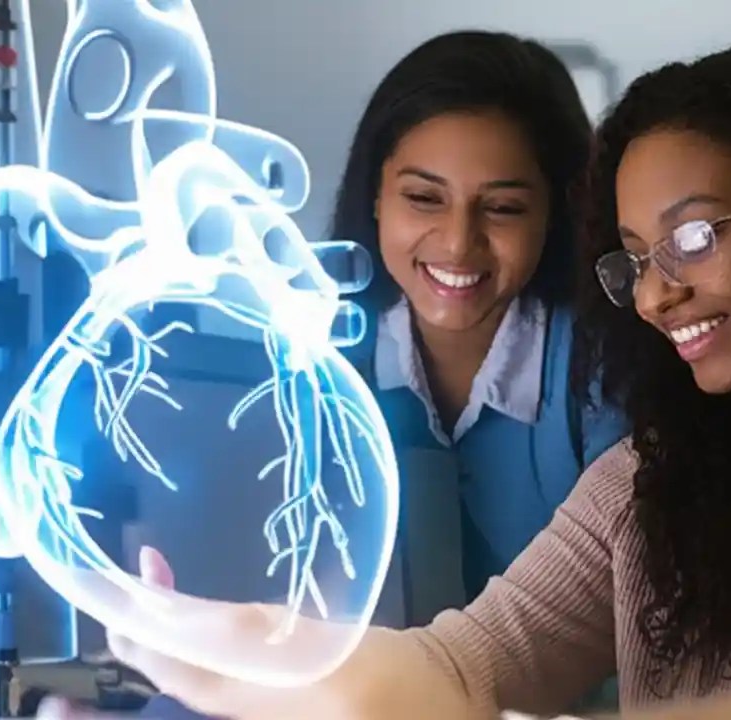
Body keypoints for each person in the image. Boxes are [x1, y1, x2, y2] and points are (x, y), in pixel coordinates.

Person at [39, 42, 731, 720]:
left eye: (696, 236)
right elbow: (459, 668)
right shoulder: (648, 483)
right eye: (633, 258)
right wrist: (271, 654)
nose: (661, 293)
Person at [130, 29, 628, 719]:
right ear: (374, 196)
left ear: (558, 211)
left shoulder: (608, 376)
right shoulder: (315, 361)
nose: (459, 242)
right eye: (424, 198)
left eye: (504, 207)